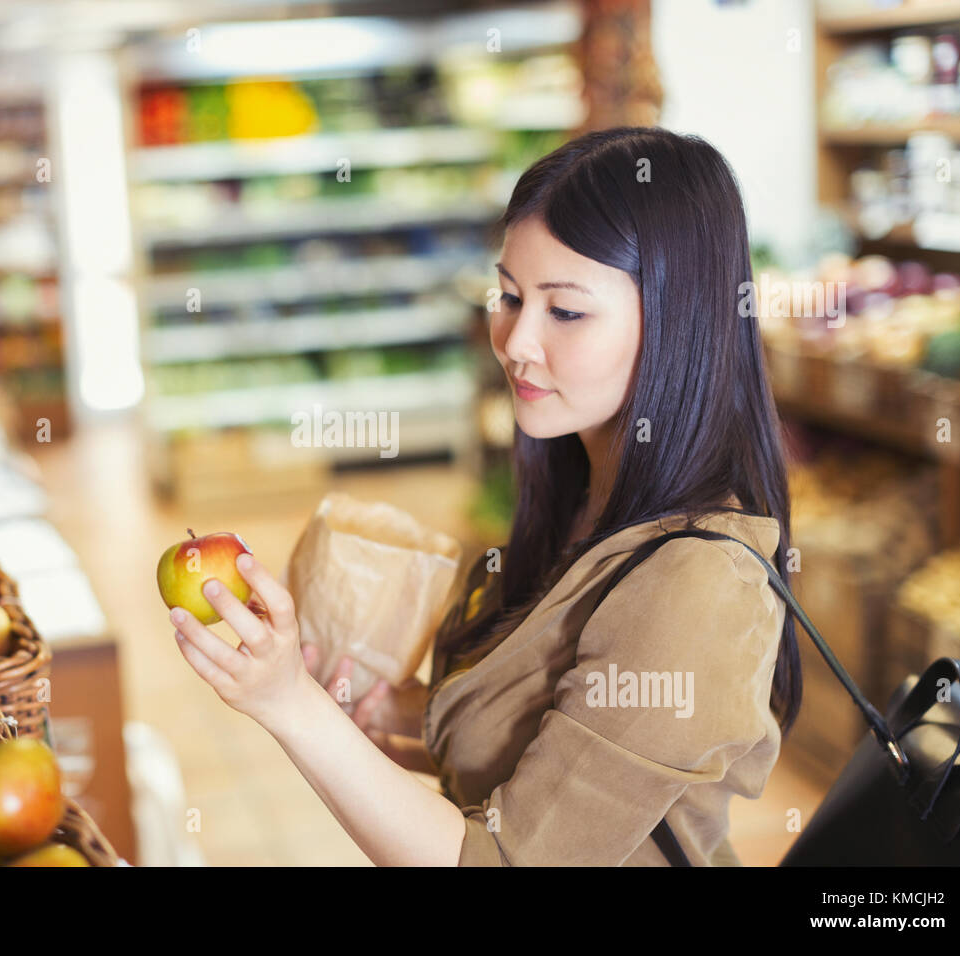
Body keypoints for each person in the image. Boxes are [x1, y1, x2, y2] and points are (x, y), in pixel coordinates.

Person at [168, 126, 800, 866]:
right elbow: (545, 748)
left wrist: (291, 706)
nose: (515, 340)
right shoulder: (589, 503)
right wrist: (405, 720)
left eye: (564, 311)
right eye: (506, 295)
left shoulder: (697, 586)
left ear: (678, 319)